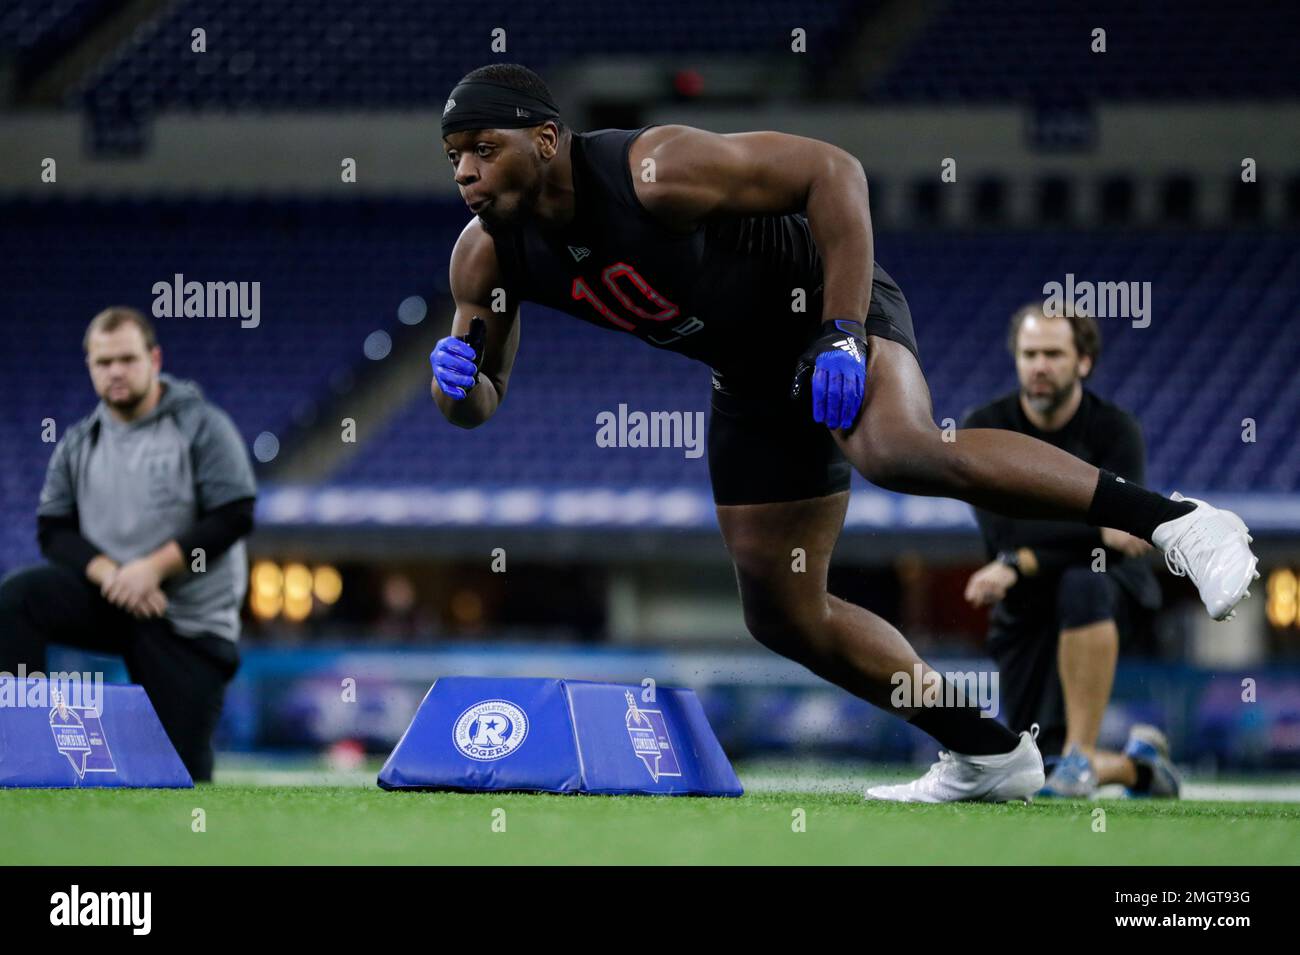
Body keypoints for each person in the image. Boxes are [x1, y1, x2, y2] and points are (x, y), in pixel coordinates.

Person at [428, 63, 1257, 803]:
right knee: (781, 612)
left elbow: (834, 171)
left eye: (482, 146)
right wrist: (455, 387)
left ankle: (1178, 519)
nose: (465, 170)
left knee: (897, 448)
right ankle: (988, 752)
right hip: (750, 376)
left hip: (828, 305)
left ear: (544, 138)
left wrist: (842, 329)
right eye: (453, 154)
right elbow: (482, 398)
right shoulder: (486, 258)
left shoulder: (655, 169)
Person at [0, 307, 256, 782]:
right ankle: (23, 745)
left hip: (184, 620)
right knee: (17, 600)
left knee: (179, 773)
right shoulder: (79, 442)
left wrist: (151, 570)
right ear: (90, 368)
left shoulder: (202, 424)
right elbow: (53, 529)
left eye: (127, 358)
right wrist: (114, 576)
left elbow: (233, 514)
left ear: (154, 359)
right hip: (112, 597)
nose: (115, 371)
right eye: (103, 362)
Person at [963, 304, 1180, 798]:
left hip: (1108, 587)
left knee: (1084, 581)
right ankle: (1138, 768)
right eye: (1029, 354)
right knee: (1035, 764)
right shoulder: (985, 426)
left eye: (1054, 354)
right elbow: (1004, 533)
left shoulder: (1114, 430)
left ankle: (1084, 754)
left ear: (1084, 362)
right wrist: (1085, 530)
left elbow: (1125, 539)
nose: (1040, 365)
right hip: (1026, 597)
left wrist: (1025, 558)